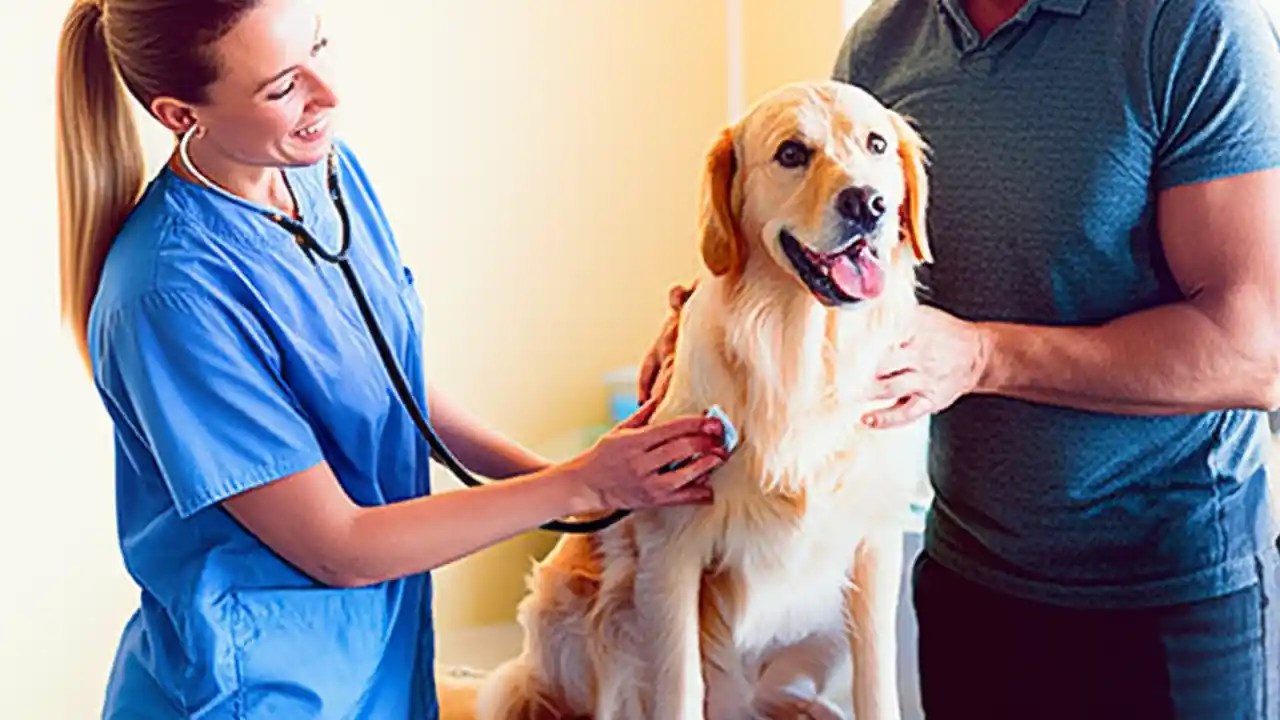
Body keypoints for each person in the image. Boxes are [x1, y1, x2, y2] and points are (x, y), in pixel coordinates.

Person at [55, 0, 732, 717]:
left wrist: (589, 476)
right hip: (265, 686)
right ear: (179, 113)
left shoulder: (323, 177)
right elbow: (337, 547)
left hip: (382, 658)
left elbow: (391, 385)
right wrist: (579, 488)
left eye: (319, 47)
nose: (329, 94)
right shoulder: (170, 294)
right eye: (282, 86)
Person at [641, 0, 1280, 717]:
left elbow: (1254, 352)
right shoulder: (883, 42)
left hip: (1168, 593)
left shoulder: (1193, 25)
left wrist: (982, 356)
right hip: (969, 581)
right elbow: (824, 241)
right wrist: (704, 324)